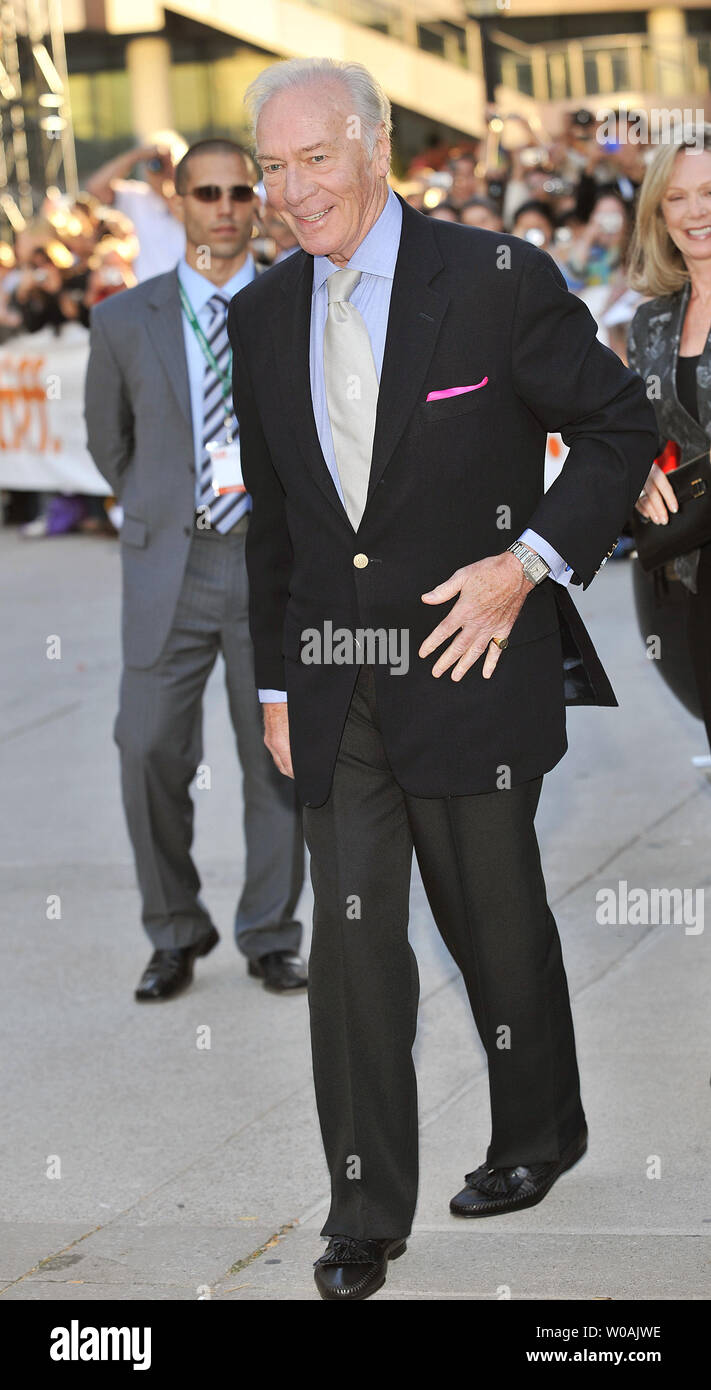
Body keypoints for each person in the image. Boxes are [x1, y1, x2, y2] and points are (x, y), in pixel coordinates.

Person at [228, 56, 658, 1301]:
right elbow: (276, 530)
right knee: (354, 942)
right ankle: (364, 1207)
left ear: (372, 145)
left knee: (494, 927)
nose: (292, 189)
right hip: (336, 675)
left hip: (475, 660)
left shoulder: (493, 277)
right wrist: (271, 686)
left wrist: (526, 565)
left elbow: (622, 425)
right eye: (272, 167)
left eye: (314, 158)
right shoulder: (260, 317)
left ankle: (541, 1131)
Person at [85, 138, 306, 1001]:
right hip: (169, 568)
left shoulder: (298, 307)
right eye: (205, 192)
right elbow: (114, 448)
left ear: (258, 203)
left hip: (272, 567)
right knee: (146, 750)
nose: (223, 207)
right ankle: (174, 930)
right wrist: (165, 511)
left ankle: (270, 934)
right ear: (177, 204)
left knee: (277, 762)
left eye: (239, 192)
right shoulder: (121, 320)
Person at [627, 126, 711, 751]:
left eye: (709, 192)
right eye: (676, 197)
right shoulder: (653, 318)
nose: (695, 211)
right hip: (684, 565)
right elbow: (632, 431)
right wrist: (634, 468)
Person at [85, 134, 187, 281]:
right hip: (148, 289)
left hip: (185, 289)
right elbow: (95, 189)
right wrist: (136, 156)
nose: (165, 168)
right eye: (158, 162)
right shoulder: (135, 196)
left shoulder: (195, 200)